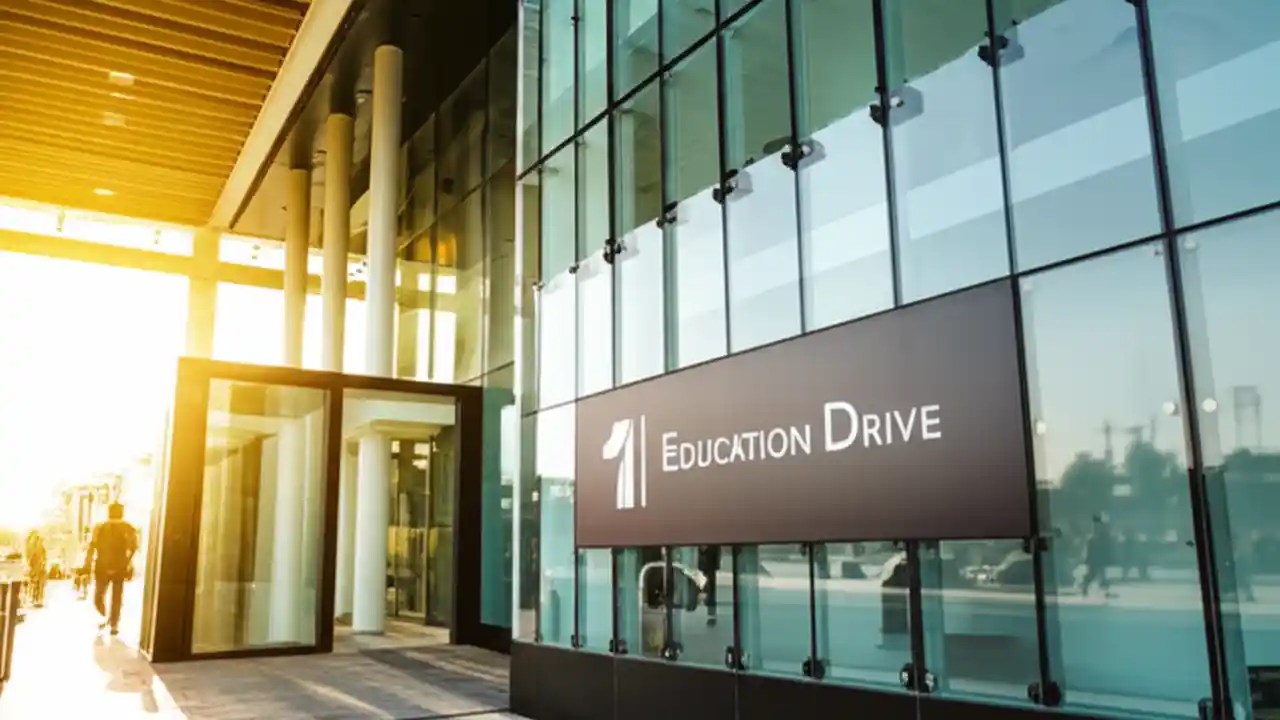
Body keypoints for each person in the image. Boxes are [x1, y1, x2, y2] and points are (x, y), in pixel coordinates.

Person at [83, 503, 138, 635]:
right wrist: (128, 562)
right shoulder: (129, 528)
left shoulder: (99, 527)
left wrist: (88, 564)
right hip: (119, 565)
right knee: (117, 595)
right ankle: (113, 623)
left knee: (99, 594)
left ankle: (105, 615)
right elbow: (134, 547)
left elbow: (92, 546)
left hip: (102, 565)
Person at [24, 529, 47, 607]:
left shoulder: (38, 547)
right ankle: (36, 599)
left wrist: (43, 563)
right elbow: (30, 558)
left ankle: (38, 599)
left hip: (39, 568)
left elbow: (43, 557)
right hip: (36, 568)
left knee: (38, 584)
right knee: (35, 584)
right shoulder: (32, 547)